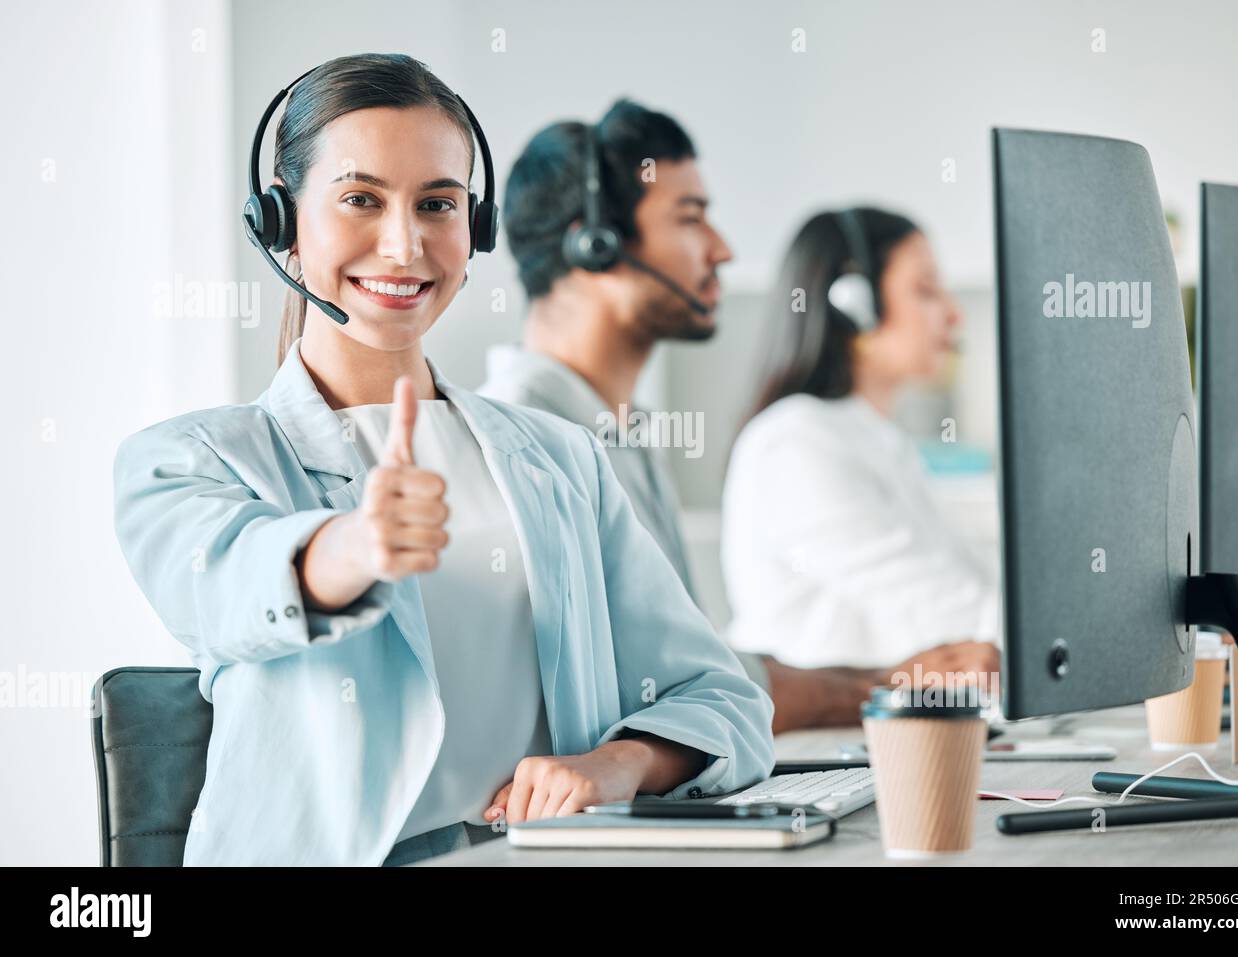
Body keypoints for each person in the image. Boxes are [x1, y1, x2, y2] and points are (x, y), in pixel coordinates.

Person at [112, 54, 773, 867]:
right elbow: (229, 586)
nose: (404, 243)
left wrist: (614, 765)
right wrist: (356, 545)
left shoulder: (561, 457)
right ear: (280, 224)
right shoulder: (187, 460)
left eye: (438, 204)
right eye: (360, 200)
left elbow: (723, 700)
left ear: (476, 229)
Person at [481, 102, 997, 732]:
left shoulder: (622, 434)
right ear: (596, 245)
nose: (722, 250)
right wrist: (885, 685)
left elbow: (688, 671)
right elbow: (632, 694)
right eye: (690, 218)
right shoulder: (518, 436)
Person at [722, 207, 1002, 674]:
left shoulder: (885, 444)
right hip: (813, 740)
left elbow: (974, 583)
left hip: (878, 734)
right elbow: (952, 611)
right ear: (855, 306)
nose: (953, 314)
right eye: (926, 290)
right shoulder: (796, 443)